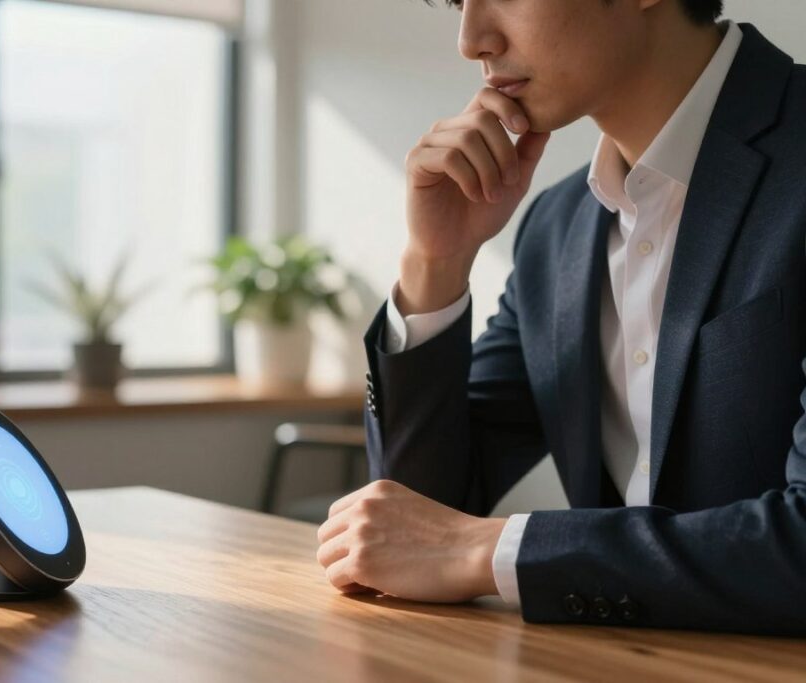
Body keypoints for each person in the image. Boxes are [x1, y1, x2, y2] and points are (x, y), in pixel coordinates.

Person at [315, 0, 806, 634]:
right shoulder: (556, 229)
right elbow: (418, 522)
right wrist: (435, 263)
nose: (471, 40)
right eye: (461, 4)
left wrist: (489, 550)